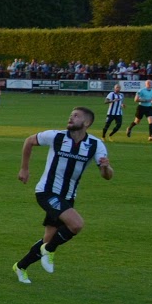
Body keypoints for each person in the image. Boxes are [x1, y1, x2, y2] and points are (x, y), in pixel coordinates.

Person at [12, 106, 112, 284]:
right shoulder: (56, 136)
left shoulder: (96, 145)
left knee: (49, 236)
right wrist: (24, 168)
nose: (71, 118)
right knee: (76, 224)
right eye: (70, 115)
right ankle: (49, 251)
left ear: (87, 123)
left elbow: (107, 176)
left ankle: (20, 267)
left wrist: (105, 167)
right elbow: (29, 141)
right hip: (47, 192)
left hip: (67, 197)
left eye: (76, 116)